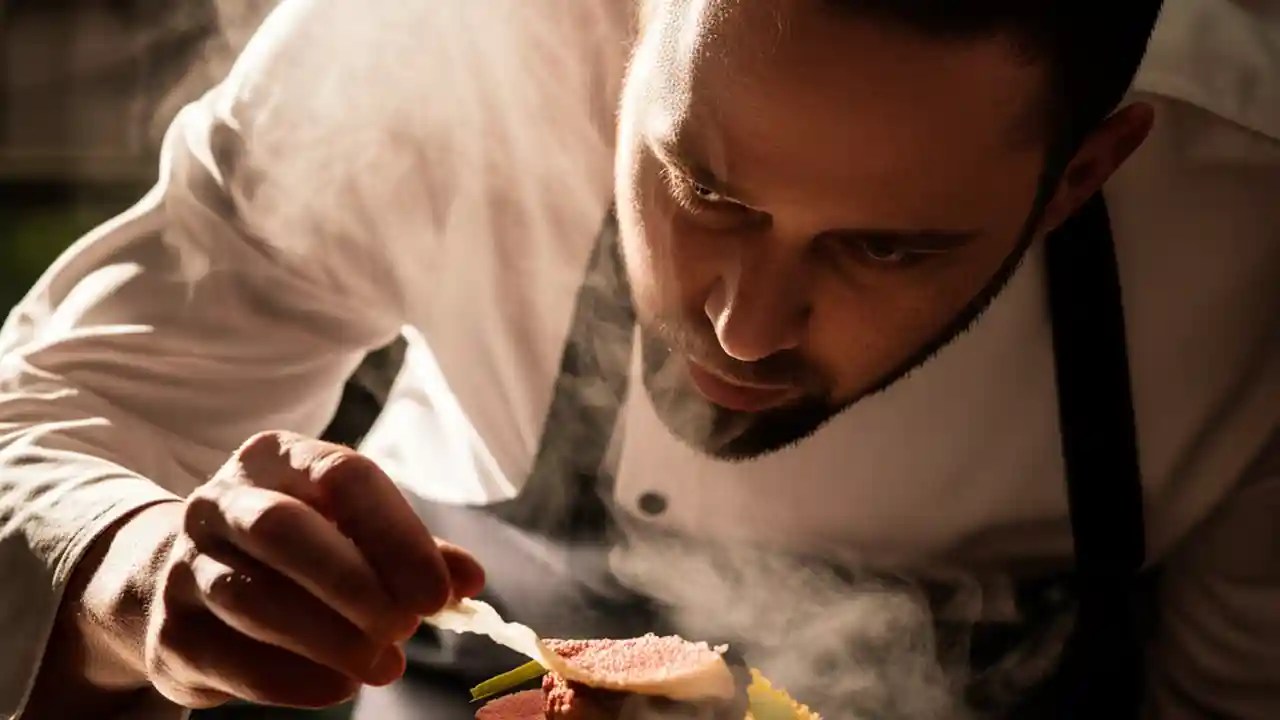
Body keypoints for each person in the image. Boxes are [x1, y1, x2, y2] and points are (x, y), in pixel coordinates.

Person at [1, 0, 1276, 718]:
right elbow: (60, 410)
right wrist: (137, 567)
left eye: (884, 251)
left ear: (1080, 177)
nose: (744, 329)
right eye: (700, 190)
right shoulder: (432, 53)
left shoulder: (1247, 273)